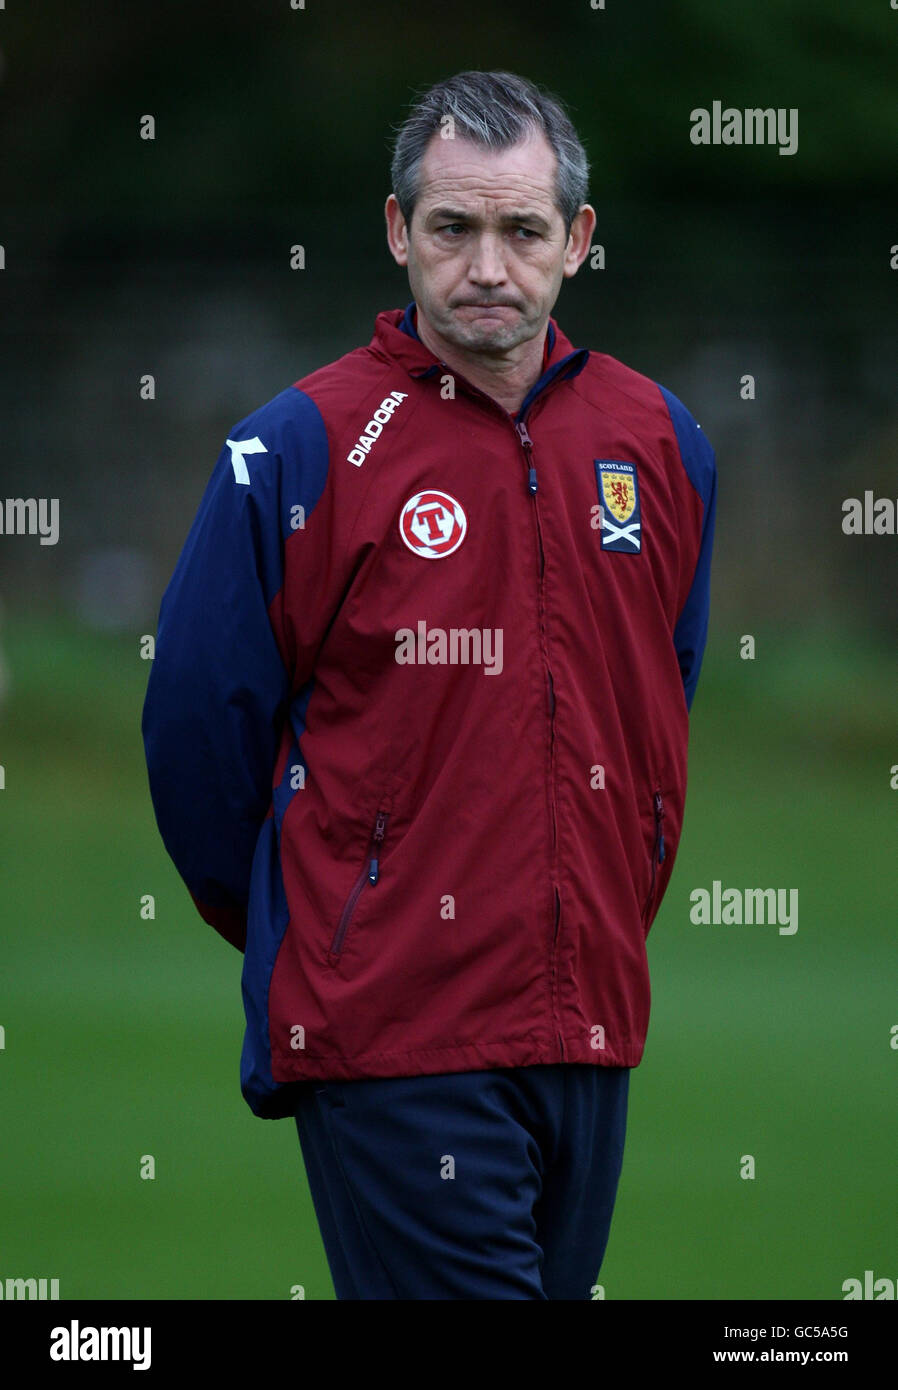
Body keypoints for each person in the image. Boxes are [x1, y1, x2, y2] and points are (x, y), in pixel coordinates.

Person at [141, 69, 717, 1300]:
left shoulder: (662, 441)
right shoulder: (292, 447)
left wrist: (599, 894)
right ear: (399, 232)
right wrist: (343, 925)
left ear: (579, 239)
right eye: (453, 228)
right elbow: (199, 737)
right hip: (395, 1030)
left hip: (592, 1017)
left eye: (522, 230)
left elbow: (658, 710)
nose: (488, 266)